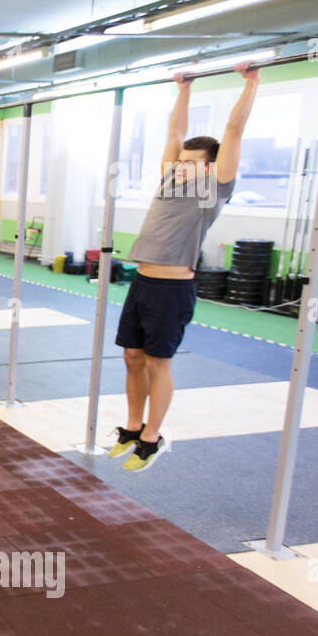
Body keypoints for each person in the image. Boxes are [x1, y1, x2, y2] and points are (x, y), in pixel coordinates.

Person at [113, 61, 259, 472]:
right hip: (142, 283)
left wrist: (252, 82)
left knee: (159, 363)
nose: (182, 165)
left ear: (211, 167)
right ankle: (131, 425)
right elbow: (175, 133)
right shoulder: (169, 181)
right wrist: (184, 89)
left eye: (192, 161)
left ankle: (152, 437)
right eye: (181, 160)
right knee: (131, 357)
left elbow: (233, 133)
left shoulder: (213, 190)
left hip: (172, 291)